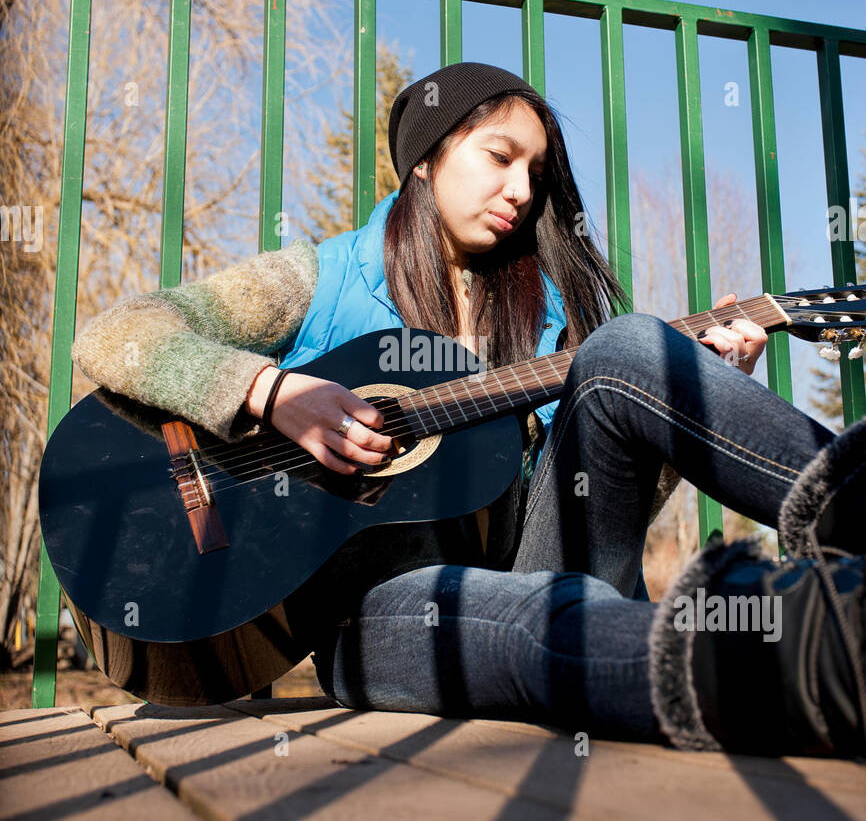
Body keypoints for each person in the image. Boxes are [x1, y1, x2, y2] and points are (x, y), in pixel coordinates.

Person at [70, 62, 866, 759]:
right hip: (379, 617)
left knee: (628, 346)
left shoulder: (548, 314)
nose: (522, 190)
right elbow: (117, 334)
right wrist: (272, 393)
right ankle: (805, 656)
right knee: (535, 619)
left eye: (535, 172)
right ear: (426, 157)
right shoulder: (320, 276)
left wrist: (697, 389)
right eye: (499, 157)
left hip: (538, 570)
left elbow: (599, 511)